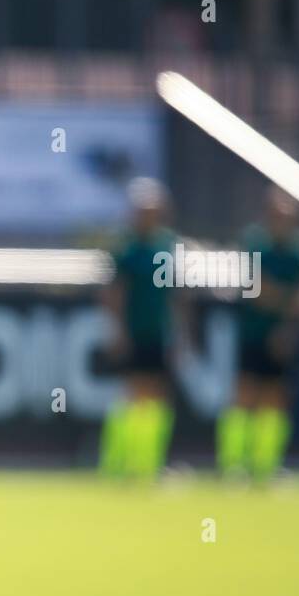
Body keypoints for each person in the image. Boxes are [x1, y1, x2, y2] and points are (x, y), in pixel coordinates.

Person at [217, 188, 299, 481]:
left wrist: (288, 330)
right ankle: (233, 464)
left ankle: (266, 465)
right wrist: (290, 301)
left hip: (283, 339)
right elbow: (258, 290)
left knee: (276, 400)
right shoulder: (254, 244)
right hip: (253, 334)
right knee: (244, 396)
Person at [98, 178, 181, 480]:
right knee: (133, 396)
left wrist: (179, 333)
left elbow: (173, 294)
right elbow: (114, 293)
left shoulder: (167, 245)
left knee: (158, 397)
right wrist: (118, 330)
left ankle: (149, 463)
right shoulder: (126, 249)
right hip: (134, 331)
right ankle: (118, 461)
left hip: (158, 332)